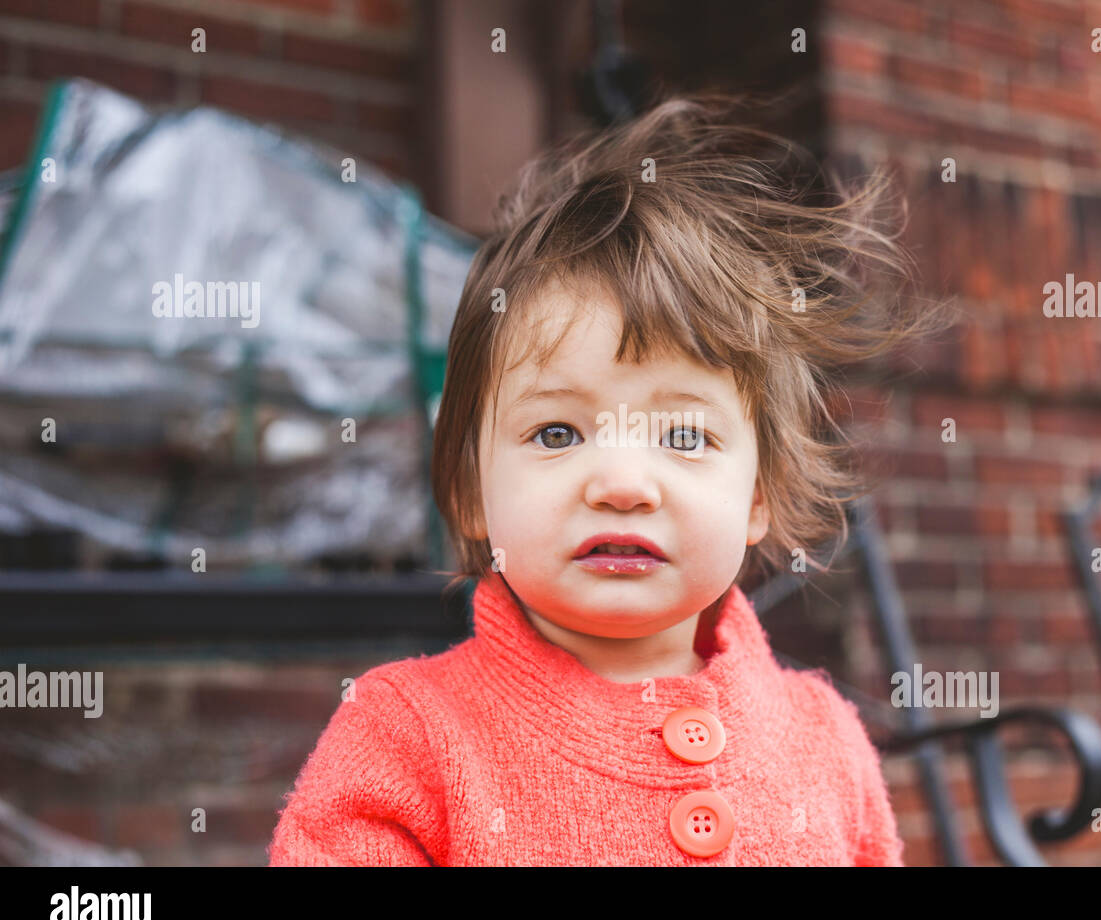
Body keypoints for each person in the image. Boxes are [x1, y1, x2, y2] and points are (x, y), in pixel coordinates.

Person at [268, 92, 942, 866]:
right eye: (556, 432)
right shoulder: (405, 735)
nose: (622, 483)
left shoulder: (825, 735)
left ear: (757, 495)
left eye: (684, 436)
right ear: (468, 493)